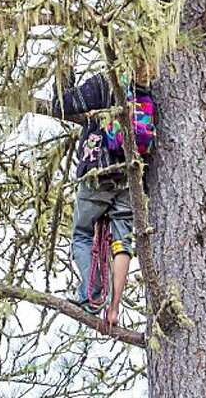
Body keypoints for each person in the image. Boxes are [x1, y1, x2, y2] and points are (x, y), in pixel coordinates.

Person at [53, 67, 156, 329]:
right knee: (122, 242)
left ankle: (92, 293)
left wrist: (63, 78)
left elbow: (62, 105)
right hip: (130, 178)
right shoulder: (151, 89)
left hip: (99, 172)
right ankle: (113, 308)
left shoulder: (104, 83)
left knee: (82, 234)